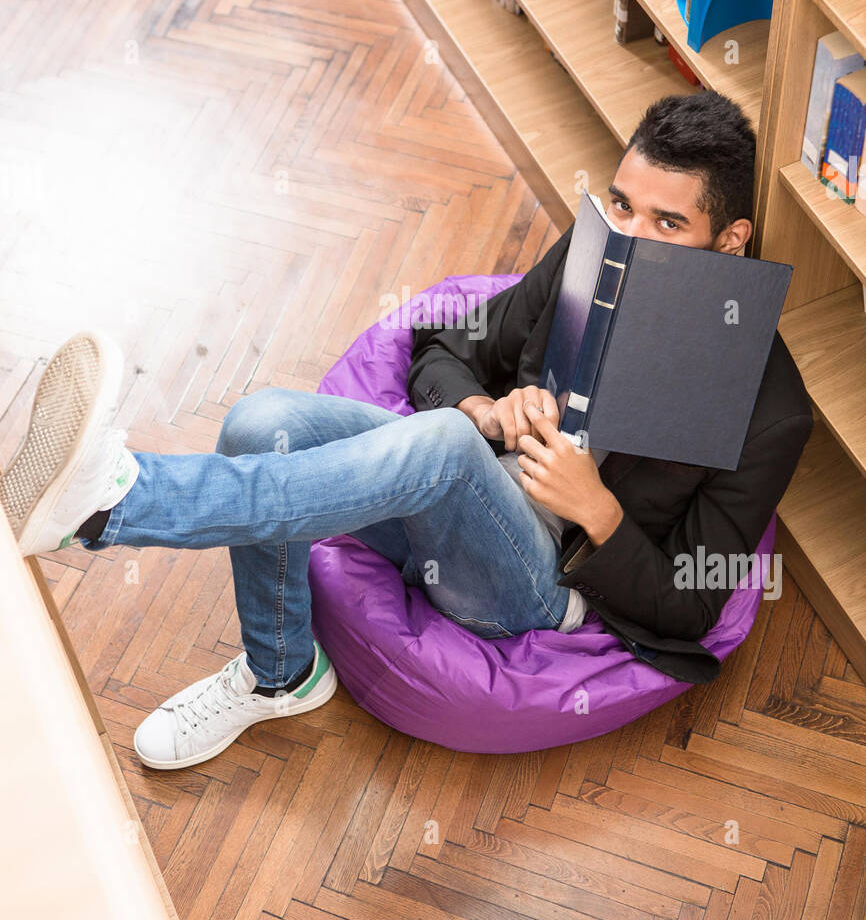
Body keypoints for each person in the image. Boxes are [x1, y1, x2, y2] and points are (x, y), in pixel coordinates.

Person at [1, 92, 813, 770]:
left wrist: (595, 508)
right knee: (263, 421)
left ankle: (118, 501)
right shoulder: (595, 259)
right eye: (622, 206)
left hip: (543, 584)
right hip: (462, 492)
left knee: (447, 449)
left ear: (730, 240)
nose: (627, 239)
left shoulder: (771, 409)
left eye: (667, 224)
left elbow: (691, 607)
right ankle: (280, 675)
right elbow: (445, 350)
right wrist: (487, 411)